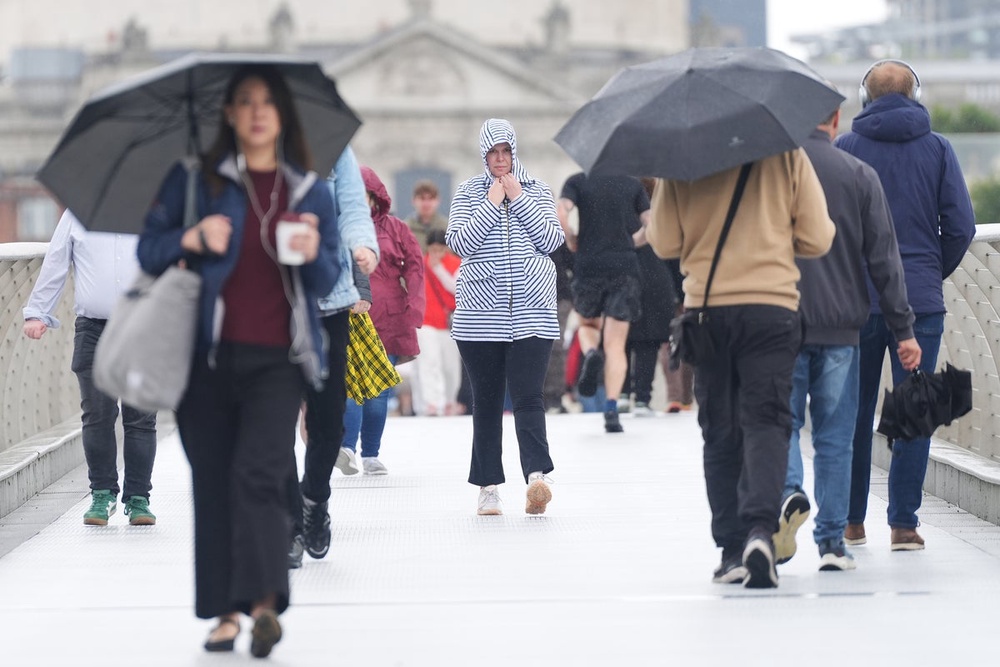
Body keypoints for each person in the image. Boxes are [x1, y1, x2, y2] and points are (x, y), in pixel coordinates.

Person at [137, 65, 341, 658]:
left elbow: (331, 276)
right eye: (244, 102)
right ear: (229, 114)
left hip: (279, 361)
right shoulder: (196, 183)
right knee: (215, 483)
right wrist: (191, 238)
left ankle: (262, 606)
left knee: (259, 473)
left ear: (282, 116)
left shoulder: (307, 192)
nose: (256, 111)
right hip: (205, 360)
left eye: (267, 102)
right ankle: (225, 612)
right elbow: (149, 249)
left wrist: (310, 254)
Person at [647, 150, 836, 589]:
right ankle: (759, 534)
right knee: (768, 422)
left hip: (708, 313)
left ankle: (731, 549)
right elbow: (819, 237)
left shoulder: (683, 156)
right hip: (771, 308)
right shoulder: (787, 153)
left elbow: (663, 242)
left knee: (720, 429)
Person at [773, 104, 921, 573]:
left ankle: (790, 492)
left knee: (785, 424)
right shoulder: (859, 173)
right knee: (837, 435)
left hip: (782, 322)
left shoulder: (774, 173)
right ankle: (833, 542)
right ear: (836, 121)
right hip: (841, 326)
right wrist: (903, 328)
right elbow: (884, 258)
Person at [835, 60, 976, 551]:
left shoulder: (845, 148)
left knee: (851, 410)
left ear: (864, 97)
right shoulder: (938, 148)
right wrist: (926, 277)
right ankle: (903, 525)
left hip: (856, 300)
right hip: (919, 303)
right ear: (917, 94)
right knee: (916, 409)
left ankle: (851, 521)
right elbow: (960, 227)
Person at [446, 118, 564, 516]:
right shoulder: (467, 192)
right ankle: (488, 488)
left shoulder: (538, 190)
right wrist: (492, 203)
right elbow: (460, 243)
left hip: (533, 312)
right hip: (480, 315)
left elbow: (551, 241)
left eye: (506, 151)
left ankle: (537, 479)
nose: (500, 159)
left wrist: (519, 199)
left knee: (530, 397)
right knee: (487, 403)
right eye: (493, 152)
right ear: (483, 155)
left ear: (515, 152)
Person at [23, 210, 158, 527]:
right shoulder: (77, 213)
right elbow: (56, 262)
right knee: (97, 414)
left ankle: (139, 498)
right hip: (93, 330)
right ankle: (102, 494)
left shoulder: (154, 210)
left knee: (141, 416)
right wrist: (38, 313)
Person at [289, 144, 378, 568]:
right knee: (271, 419)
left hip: (328, 298)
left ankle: (314, 499)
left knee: (328, 419)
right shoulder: (243, 147)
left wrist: (363, 246)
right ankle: (289, 519)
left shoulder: (330, 144)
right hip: (269, 305)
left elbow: (353, 206)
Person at [339, 165, 425, 475]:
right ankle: (347, 447)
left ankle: (371, 453)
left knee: (378, 392)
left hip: (387, 319)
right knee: (350, 386)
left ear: (375, 197)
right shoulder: (337, 228)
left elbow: (415, 266)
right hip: (349, 315)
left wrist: (416, 305)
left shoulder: (397, 228)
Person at [557, 173, 650, 433]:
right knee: (616, 344)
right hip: (624, 267)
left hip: (589, 265)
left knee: (588, 324)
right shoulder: (633, 184)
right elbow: (651, 223)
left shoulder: (576, 181)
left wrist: (571, 239)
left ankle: (590, 353)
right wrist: (633, 242)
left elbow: (561, 212)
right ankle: (611, 410)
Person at [626, 178, 675, 417]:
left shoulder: (622, 213)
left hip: (625, 278)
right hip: (657, 281)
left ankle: (623, 393)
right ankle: (643, 397)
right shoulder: (661, 215)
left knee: (621, 340)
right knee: (649, 343)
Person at [414, 228, 463, 416]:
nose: (437, 254)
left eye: (440, 249)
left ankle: (450, 400)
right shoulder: (419, 264)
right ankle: (432, 403)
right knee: (429, 361)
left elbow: (457, 290)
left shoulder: (456, 264)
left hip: (449, 323)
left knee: (452, 367)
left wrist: (439, 270)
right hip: (425, 321)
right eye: (433, 249)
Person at [661, 257, 694, 412]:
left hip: (665, 292)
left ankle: (675, 397)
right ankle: (685, 399)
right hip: (689, 293)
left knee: (668, 345)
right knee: (688, 343)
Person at [406, 179, 449, 252]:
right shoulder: (405, 229)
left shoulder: (448, 228)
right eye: (422, 198)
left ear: (438, 200)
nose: (426, 204)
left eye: (431, 198)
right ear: (413, 200)